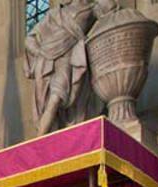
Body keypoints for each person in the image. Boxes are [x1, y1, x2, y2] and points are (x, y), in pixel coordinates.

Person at [24, 0, 117, 135]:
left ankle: (39, 140)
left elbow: (111, 8)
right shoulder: (55, 13)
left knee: (56, 98)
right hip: (46, 60)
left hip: (68, 57)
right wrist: (39, 52)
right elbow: (29, 39)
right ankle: (46, 139)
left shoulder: (91, 8)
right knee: (44, 103)